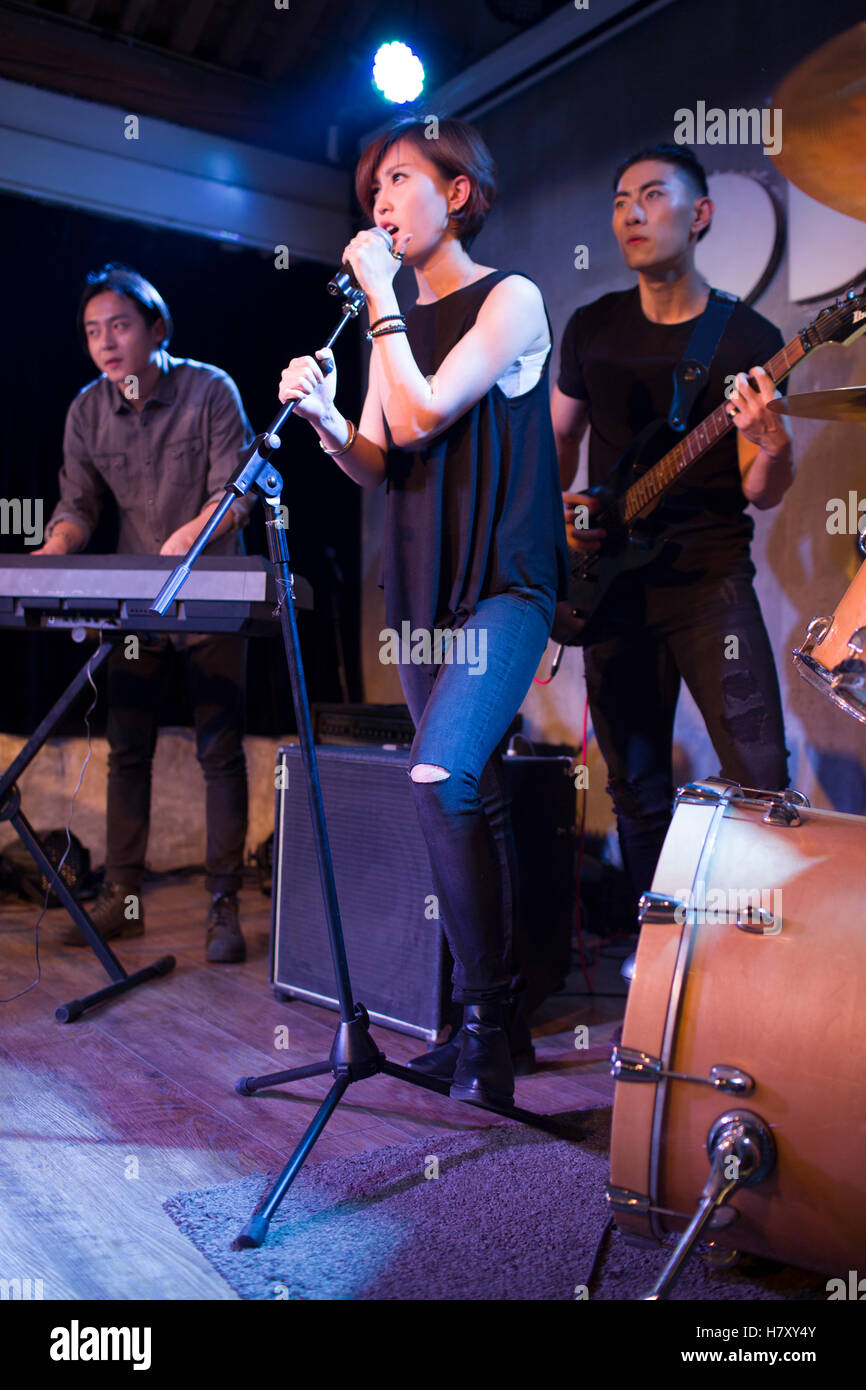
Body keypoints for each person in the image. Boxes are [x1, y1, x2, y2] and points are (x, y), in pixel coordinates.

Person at [277, 117, 568, 1108]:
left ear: (456, 194)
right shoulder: (388, 322)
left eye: (399, 180)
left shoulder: (511, 298)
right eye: (371, 192)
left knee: (438, 775)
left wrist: (381, 305)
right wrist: (324, 418)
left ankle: (482, 1024)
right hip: (419, 590)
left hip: (506, 584)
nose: (380, 203)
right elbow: (380, 454)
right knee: (475, 796)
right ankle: (502, 1025)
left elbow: (432, 407)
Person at [552, 145, 793, 907]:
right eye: (621, 199)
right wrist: (557, 520)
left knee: (762, 779)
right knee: (637, 790)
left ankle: (757, 956)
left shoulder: (748, 338)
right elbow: (557, 442)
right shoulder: (591, 327)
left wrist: (775, 444)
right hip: (609, 584)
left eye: (653, 195)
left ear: (701, 215)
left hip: (709, 580)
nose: (632, 212)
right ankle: (656, 952)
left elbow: (762, 490)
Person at [36, 264, 255, 962]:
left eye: (120, 326)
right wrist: (52, 550)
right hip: (139, 602)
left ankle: (223, 903)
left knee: (219, 750)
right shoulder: (86, 410)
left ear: (157, 328)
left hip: (212, 592)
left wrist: (190, 536)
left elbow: (237, 491)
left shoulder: (210, 389)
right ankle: (122, 898)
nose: (105, 342)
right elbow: (77, 505)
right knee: (128, 748)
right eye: (92, 331)